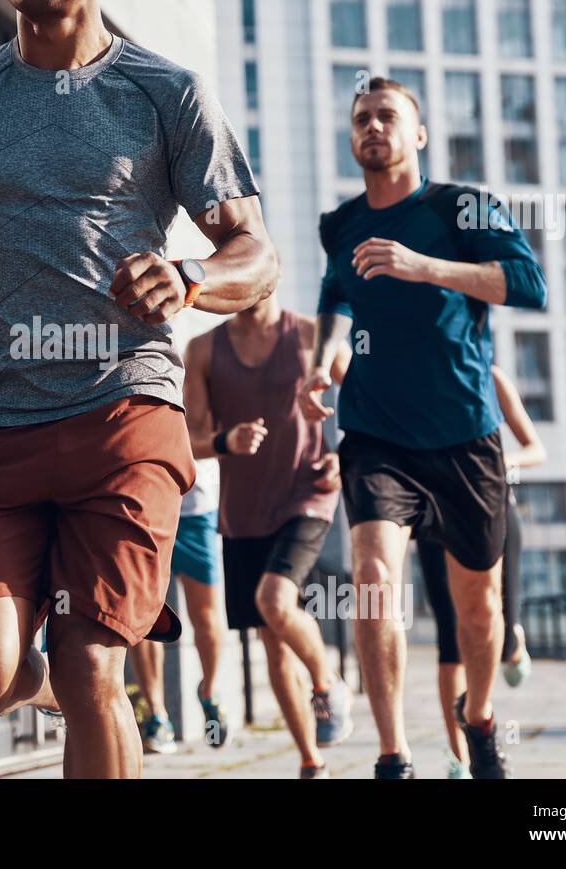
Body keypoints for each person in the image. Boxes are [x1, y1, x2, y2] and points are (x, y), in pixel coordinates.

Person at [0, 0, 278, 778]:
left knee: (94, 660)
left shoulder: (167, 92)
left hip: (125, 414)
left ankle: (84, 682)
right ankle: (59, 688)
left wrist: (188, 279)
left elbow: (257, 254)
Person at [300, 76, 546, 779]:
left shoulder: (461, 208)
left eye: (388, 116)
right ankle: (393, 754)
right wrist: (321, 365)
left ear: (419, 134)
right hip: (377, 433)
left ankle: (480, 718)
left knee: (479, 611)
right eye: (361, 118)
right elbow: (334, 292)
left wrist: (424, 267)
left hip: (466, 432)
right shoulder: (340, 224)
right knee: (374, 577)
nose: (373, 126)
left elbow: (528, 284)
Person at [184, 292, 355, 778]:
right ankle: (311, 760)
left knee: (275, 601)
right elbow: (189, 439)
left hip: (307, 496)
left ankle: (327, 682)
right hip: (242, 513)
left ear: (270, 275)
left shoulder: (310, 337)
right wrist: (223, 441)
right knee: (272, 639)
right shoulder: (202, 350)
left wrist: (345, 457)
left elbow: (370, 402)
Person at [418, 363, 542, 778]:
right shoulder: (411, 375)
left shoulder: (489, 376)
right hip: (436, 515)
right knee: (449, 638)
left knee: (497, 629)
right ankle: (461, 756)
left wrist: (497, 461)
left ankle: (513, 642)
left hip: (493, 511)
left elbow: (535, 447)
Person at [128, 457, 229, 754]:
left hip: (196, 510)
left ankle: (209, 692)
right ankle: (158, 715)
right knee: (145, 616)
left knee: (206, 619)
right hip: (147, 506)